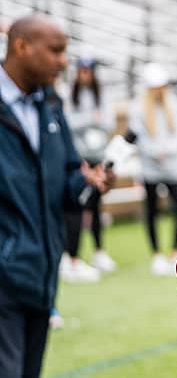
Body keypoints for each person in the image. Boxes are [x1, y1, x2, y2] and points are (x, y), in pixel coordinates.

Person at [0, 15, 111, 378]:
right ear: (21, 46)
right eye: (55, 51)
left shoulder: (50, 104)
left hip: (41, 278)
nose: (64, 62)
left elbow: (66, 179)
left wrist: (87, 181)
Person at [60, 55, 117, 283]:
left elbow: (109, 122)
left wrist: (89, 120)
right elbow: (69, 122)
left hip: (98, 157)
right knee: (76, 205)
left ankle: (98, 251)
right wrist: (92, 118)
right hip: (78, 159)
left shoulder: (102, 94)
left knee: (95, 204)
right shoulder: (68, 93)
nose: (85, 74)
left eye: (88, 70)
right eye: (82, 70)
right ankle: (71, 257)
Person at [129, 61, 177, 277]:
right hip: (149, 166)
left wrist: (168, 150)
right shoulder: (138, 106)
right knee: (152, 209)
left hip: (172, 165)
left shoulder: (173, 103)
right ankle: (156, 254)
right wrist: (154, 152)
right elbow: (137, 135)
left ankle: (174, 250)